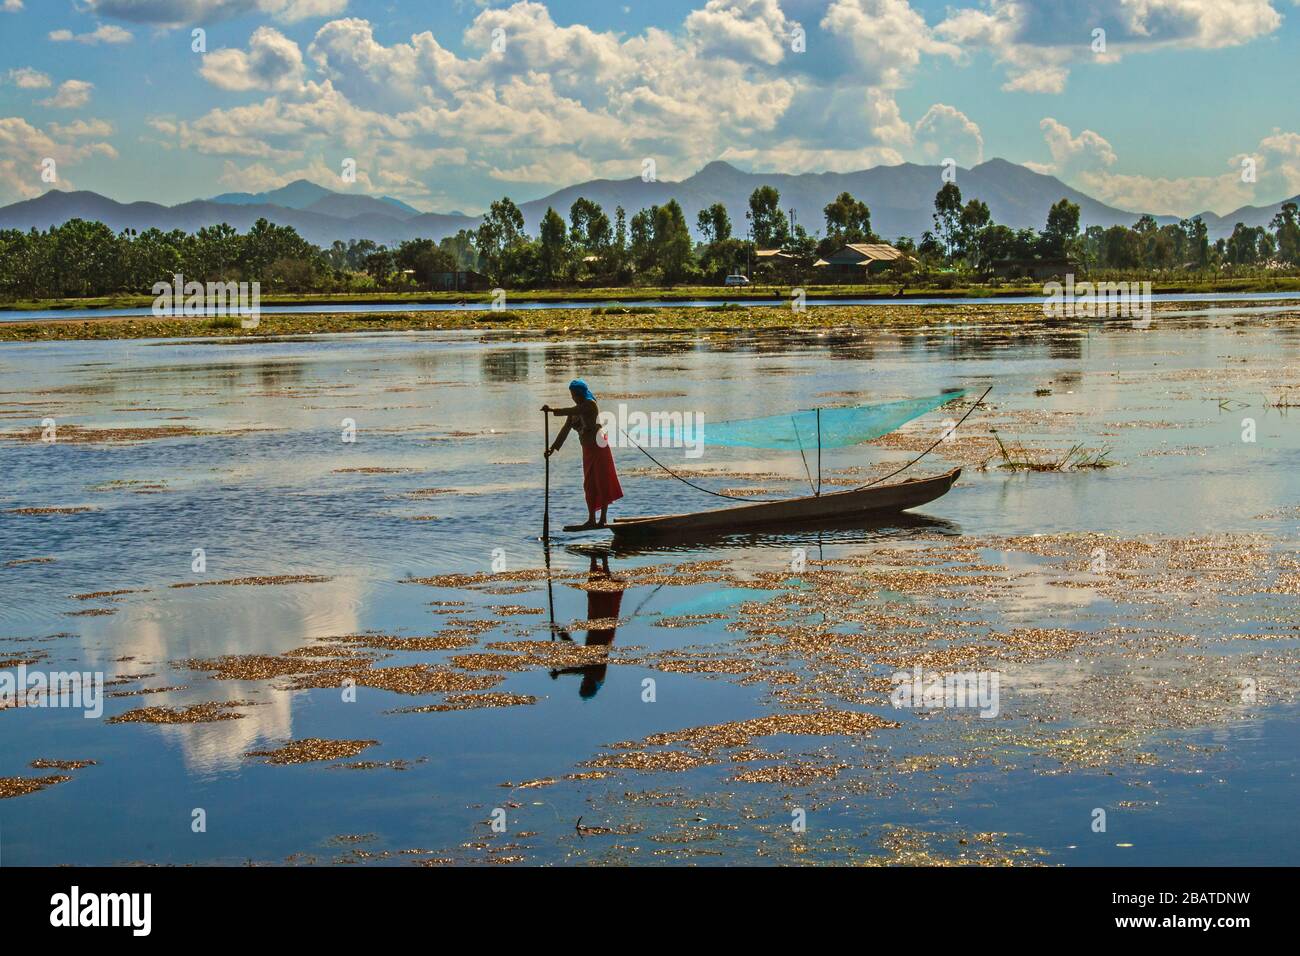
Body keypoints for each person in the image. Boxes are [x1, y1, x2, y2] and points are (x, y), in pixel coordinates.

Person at [542, 379, 623, 529]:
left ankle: (602, 519)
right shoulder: (575, 410)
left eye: (575, 394)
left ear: (581, 393)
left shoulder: (589, 404)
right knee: (589, 484)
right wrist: (552, 448)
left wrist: (552, 410)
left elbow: (572, 410)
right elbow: (565, 429)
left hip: (599, 447)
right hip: (587, 449)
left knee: (601, 481)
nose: (574, 398)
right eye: (572, 395)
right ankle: (591, 519)